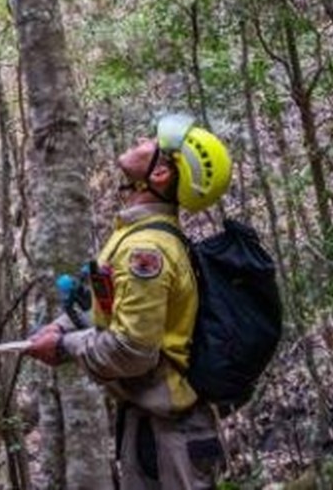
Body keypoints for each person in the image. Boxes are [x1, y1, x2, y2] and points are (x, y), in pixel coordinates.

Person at [26, 113, 232, 489]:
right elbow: (108, 308)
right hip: (153, 432)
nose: (140, 139)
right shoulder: (138, 234)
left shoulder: (147, 250)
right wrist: (60, 327)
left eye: (151, 142)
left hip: (170, 440)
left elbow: (133, 350)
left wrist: (64, 346)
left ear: (160, 174)